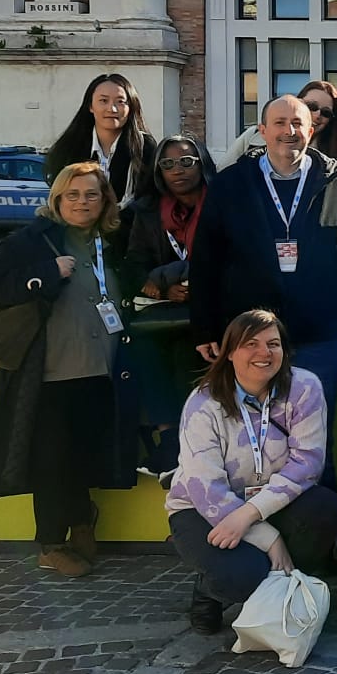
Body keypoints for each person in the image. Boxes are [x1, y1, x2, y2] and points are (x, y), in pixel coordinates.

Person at [0, 161, 142, 577]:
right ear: (58, 199)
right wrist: (45, 274)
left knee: (83, 453)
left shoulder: (113, 241)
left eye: (91, 194)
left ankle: (82, 520)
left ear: (105, 200)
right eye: (73, 195)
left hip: (102, 369)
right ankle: (50, 544)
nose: (82, 202)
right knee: (50, 460)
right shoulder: (33, 240)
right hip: (49, 372)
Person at [189, 95, 337, 424]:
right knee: (249, 431)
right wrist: (204, 327)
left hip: (317, 335)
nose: (289, 131)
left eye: (297, 123)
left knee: (314, 431)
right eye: (280, 123)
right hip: (248, 334)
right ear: (262, 131)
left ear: (311, 130)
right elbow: (205, 260)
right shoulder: (230, 184)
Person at [164, 309, 337, 632]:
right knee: (242, 577)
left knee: (325, 508)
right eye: (251, 344)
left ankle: (282, 586)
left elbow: (307, 464)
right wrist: (268, 537)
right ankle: (209, 589)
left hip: (268, 503)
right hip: (203, 509)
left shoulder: (305, 387)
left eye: (273, 344)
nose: (264, 353)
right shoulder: (203, 403)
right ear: (229, 352)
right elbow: (205, 488)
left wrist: (251, 514)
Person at [116, 136, 213, 474]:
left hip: (212, 311)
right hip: (164, 313)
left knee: (188, 355)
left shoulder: (222, 203)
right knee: (145, 353)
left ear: (202, 164)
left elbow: (234, 257)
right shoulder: (146, 212)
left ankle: (197, 445)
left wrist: (186, 279)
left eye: (186, 161)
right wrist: (162, 287)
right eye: (168, 164)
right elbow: (133, 266)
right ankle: (169, 441)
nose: (177, 170)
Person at [45, 72, 157, 203]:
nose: (112, 109)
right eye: (103, 101)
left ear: (131, 107)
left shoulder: (144, 147)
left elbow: (149, 198)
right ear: (90, 106)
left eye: (120, 102)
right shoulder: (70, 147)